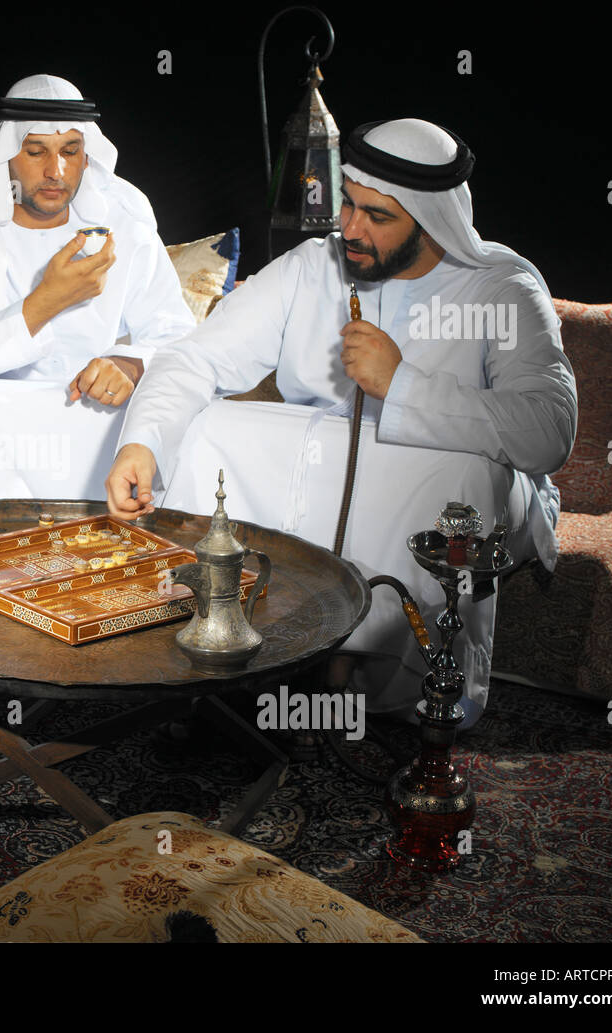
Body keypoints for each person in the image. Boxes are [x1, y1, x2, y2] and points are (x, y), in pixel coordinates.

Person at [106, 118, 578, 723]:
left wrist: (401, 384)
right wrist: (142, 443)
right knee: (213, 427)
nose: (350, 230)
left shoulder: (500, 287)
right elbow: (195, 357)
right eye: (348, 205)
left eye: (378, 217)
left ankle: (388, 678)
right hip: (323, 469)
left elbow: (548, 432)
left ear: (431, 220)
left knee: (457, 474)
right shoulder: (315, 266)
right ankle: (219, 643)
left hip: (457, 487)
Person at [0, 73, 196, 504]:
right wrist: (45, 302)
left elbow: (182, 341)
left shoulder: (122, 217)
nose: (55, 171)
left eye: (70, 151)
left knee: (193, 415)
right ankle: (13, 553)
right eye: (35, 151)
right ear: (6, 154)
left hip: (91, 413)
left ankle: (132, 547)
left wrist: (131, 365)